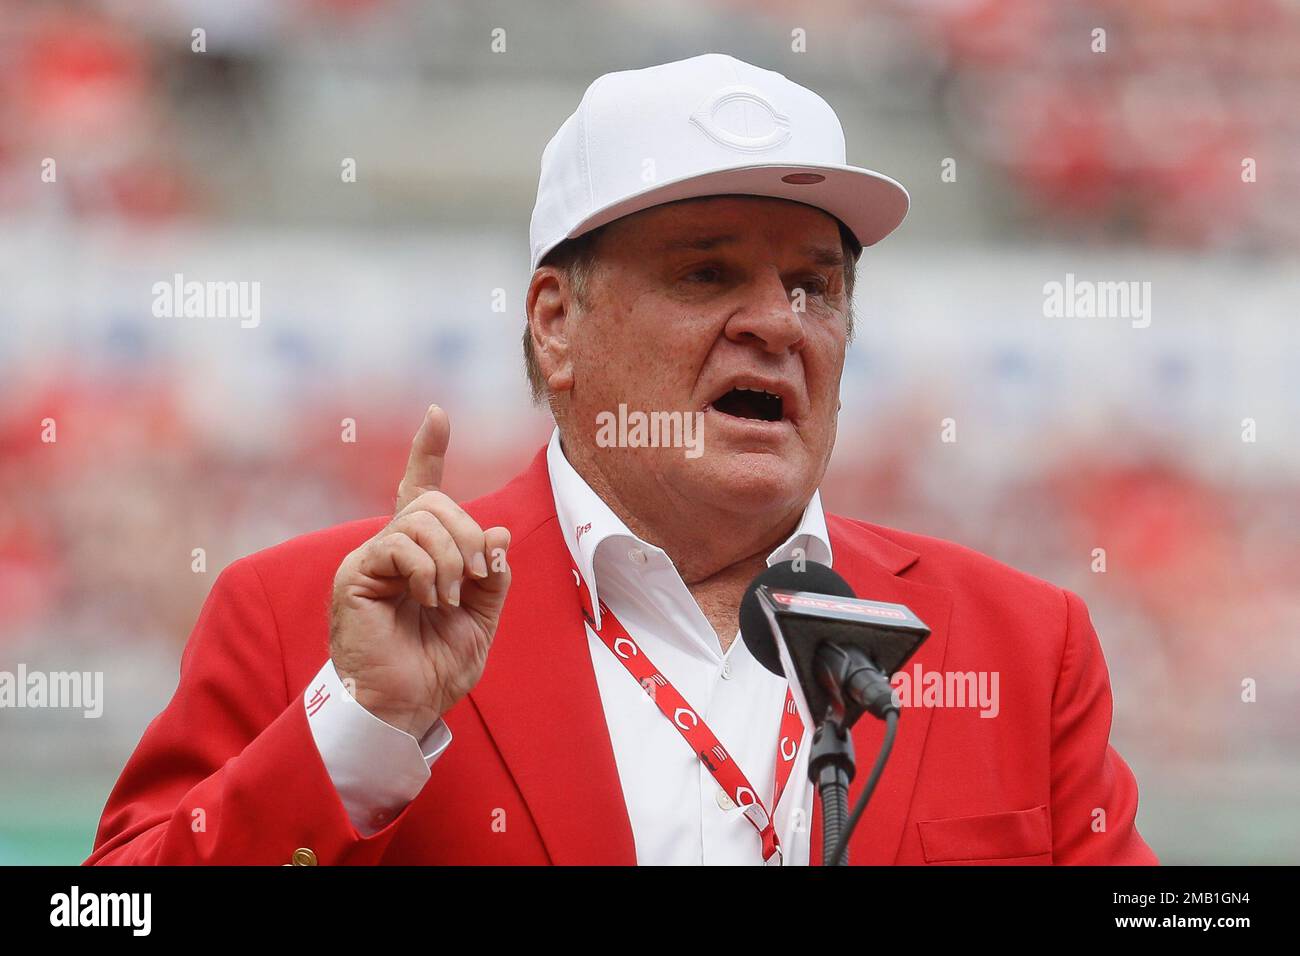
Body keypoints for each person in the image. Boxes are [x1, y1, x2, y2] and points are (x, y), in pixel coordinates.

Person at [88, 54, 1157, 866]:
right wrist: (360, 730)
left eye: (815, 285)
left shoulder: (1021, 647)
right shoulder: (309, 619)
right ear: (557, 324)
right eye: (705, 274)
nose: (777, 324)